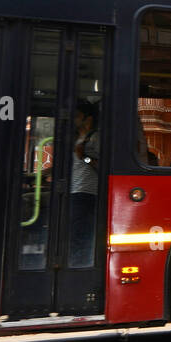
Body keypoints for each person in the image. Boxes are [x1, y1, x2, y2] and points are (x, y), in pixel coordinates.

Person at [69, 99, 99, 266]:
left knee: (80, 236)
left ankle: (79, 267)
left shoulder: (95, 138)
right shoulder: (77, 138)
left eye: (77, 116)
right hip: (75, 190)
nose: (74, 119)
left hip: (87, 193)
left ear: (88, 119)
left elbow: (104, 166)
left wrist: (85, 157)